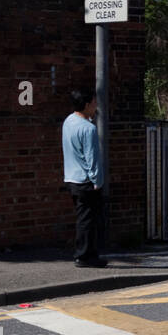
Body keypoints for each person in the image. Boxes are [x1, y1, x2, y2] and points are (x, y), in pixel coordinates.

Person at [63, 87, 106, 268]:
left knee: (84, 219)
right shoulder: (88, 129)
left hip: (71, 177)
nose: (96, 105)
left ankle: (88, 254)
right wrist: (97, 181)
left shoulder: (68, 122)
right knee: (88, 221)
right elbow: (92, 158)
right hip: (86, 180)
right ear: (87, 105)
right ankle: (84, 256)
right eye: (94, 102)